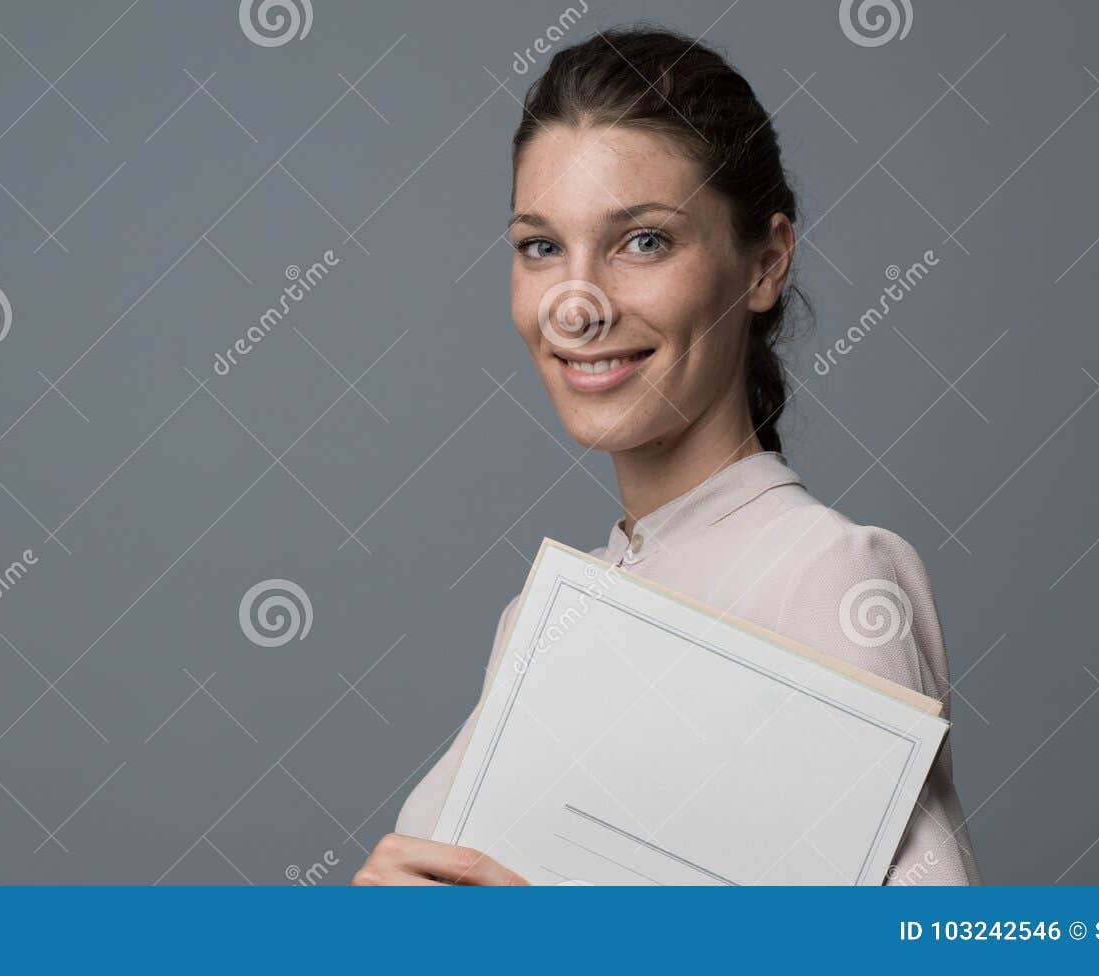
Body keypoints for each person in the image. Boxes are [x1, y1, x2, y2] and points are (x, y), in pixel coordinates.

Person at [351, 26, 981, 886]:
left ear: (766, 262)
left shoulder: (828, 576)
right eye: (541, 247)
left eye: (642, 241)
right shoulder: (542, 616)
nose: (575, 307)